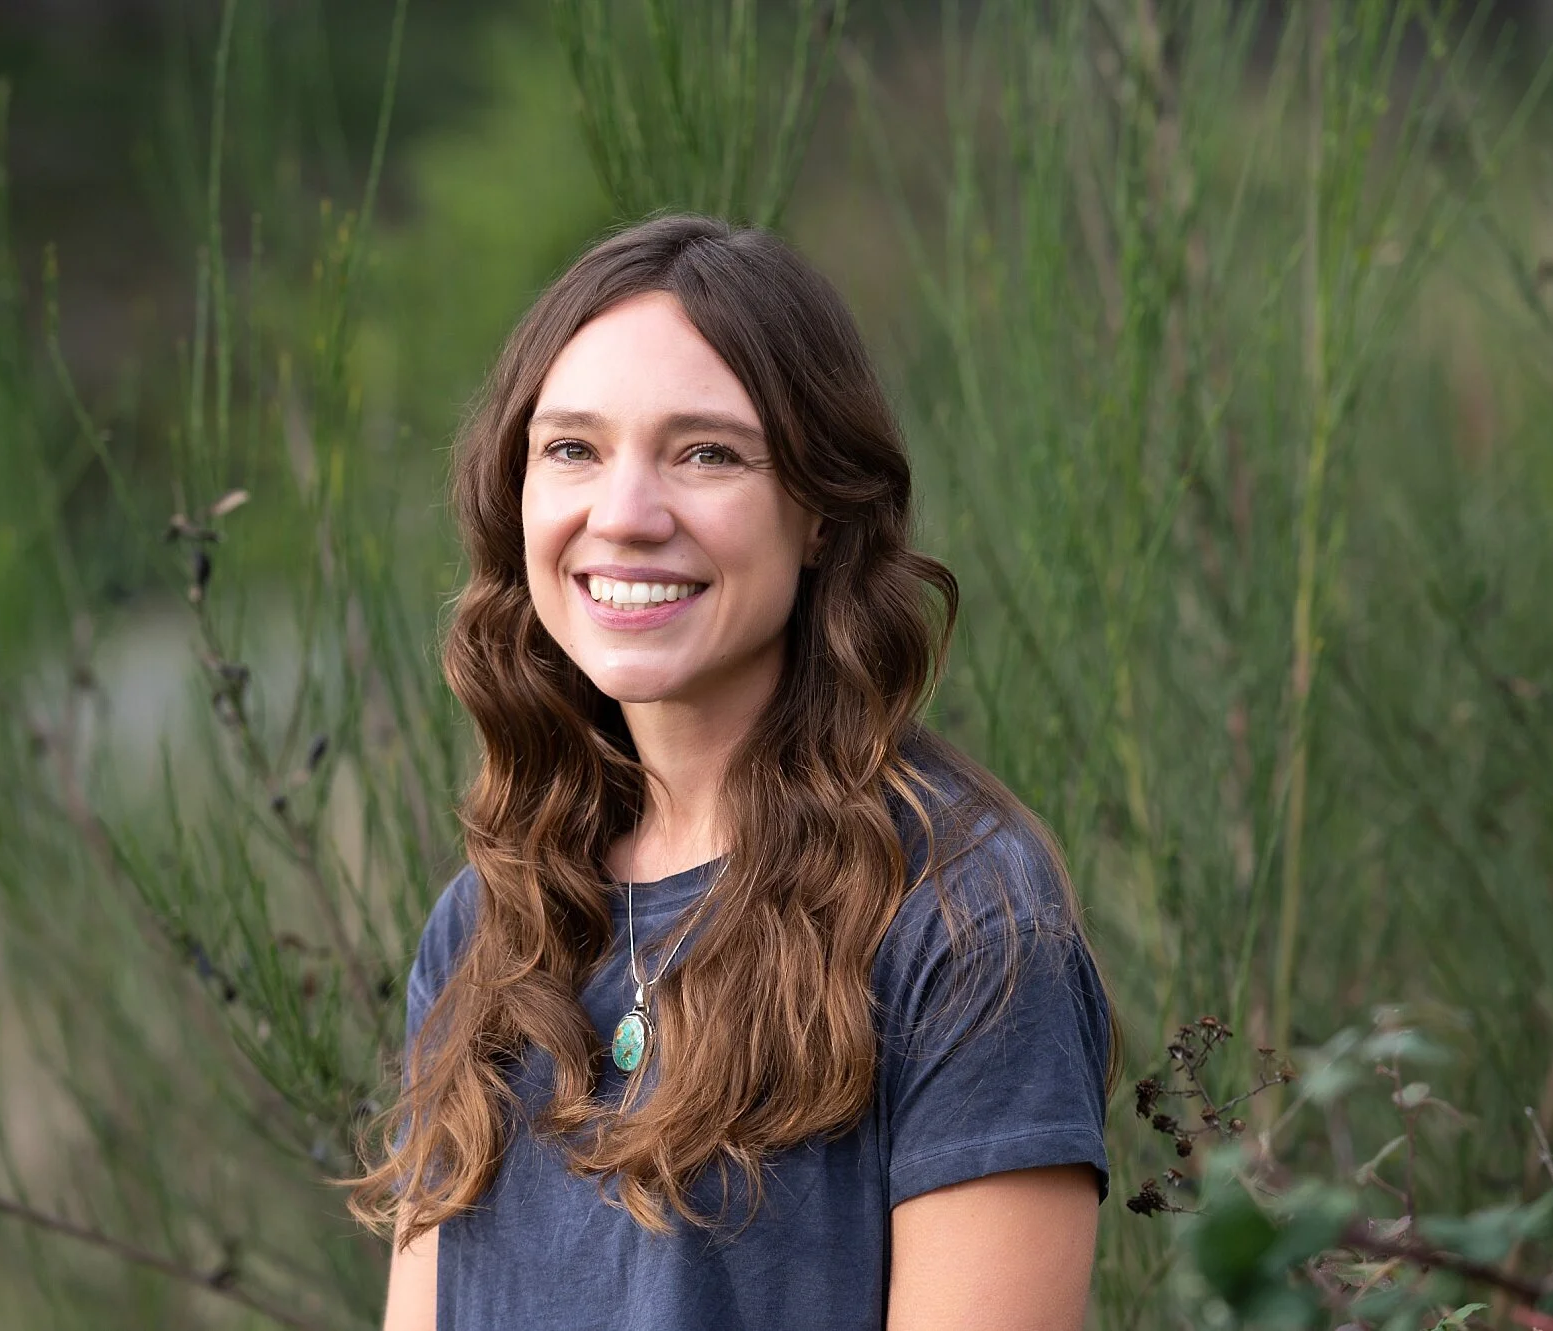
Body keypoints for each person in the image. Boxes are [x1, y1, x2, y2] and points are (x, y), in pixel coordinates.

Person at [346, 213, 1118, 1330]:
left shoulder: (963, 923)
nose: (624, 516)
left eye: (706, 452)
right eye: (572, 449)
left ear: (822, 513)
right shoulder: (484, 923)